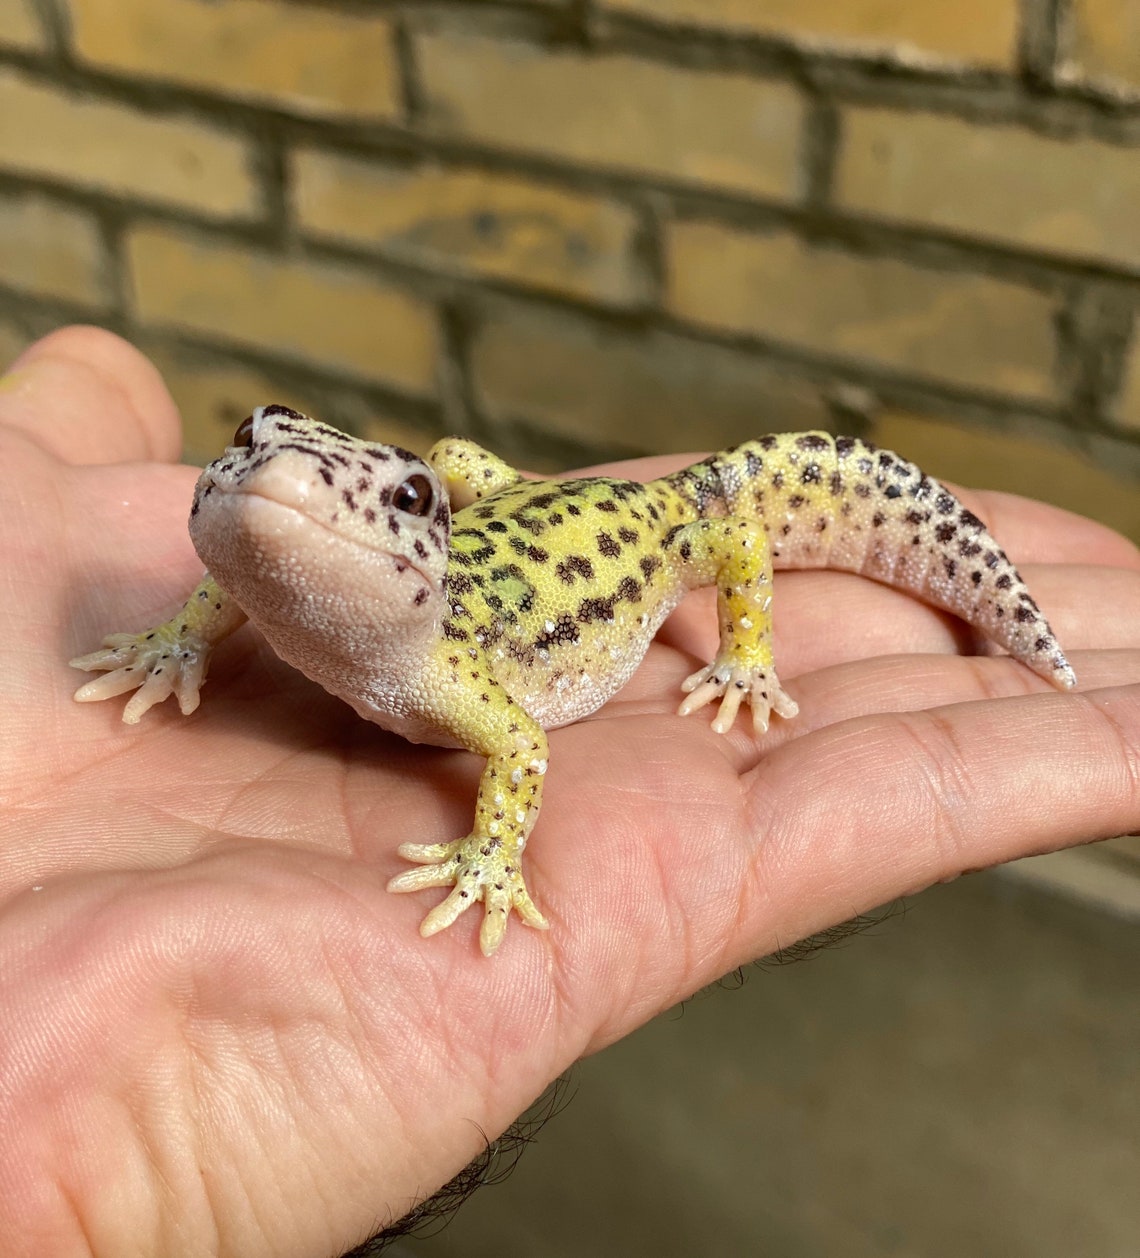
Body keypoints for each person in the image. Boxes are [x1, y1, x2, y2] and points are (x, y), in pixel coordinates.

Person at [1, 326, 1137, 1258]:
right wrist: (177, 637)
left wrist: (740, 658)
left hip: (626, 535)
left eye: (401, 501)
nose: (268, 488)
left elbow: (523, 752)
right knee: (393, 481)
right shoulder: (284, 571)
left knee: (691, 520)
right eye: (251, 450)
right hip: (520, 519)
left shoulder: (447, 674)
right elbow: (246, 565)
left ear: (423, 546)